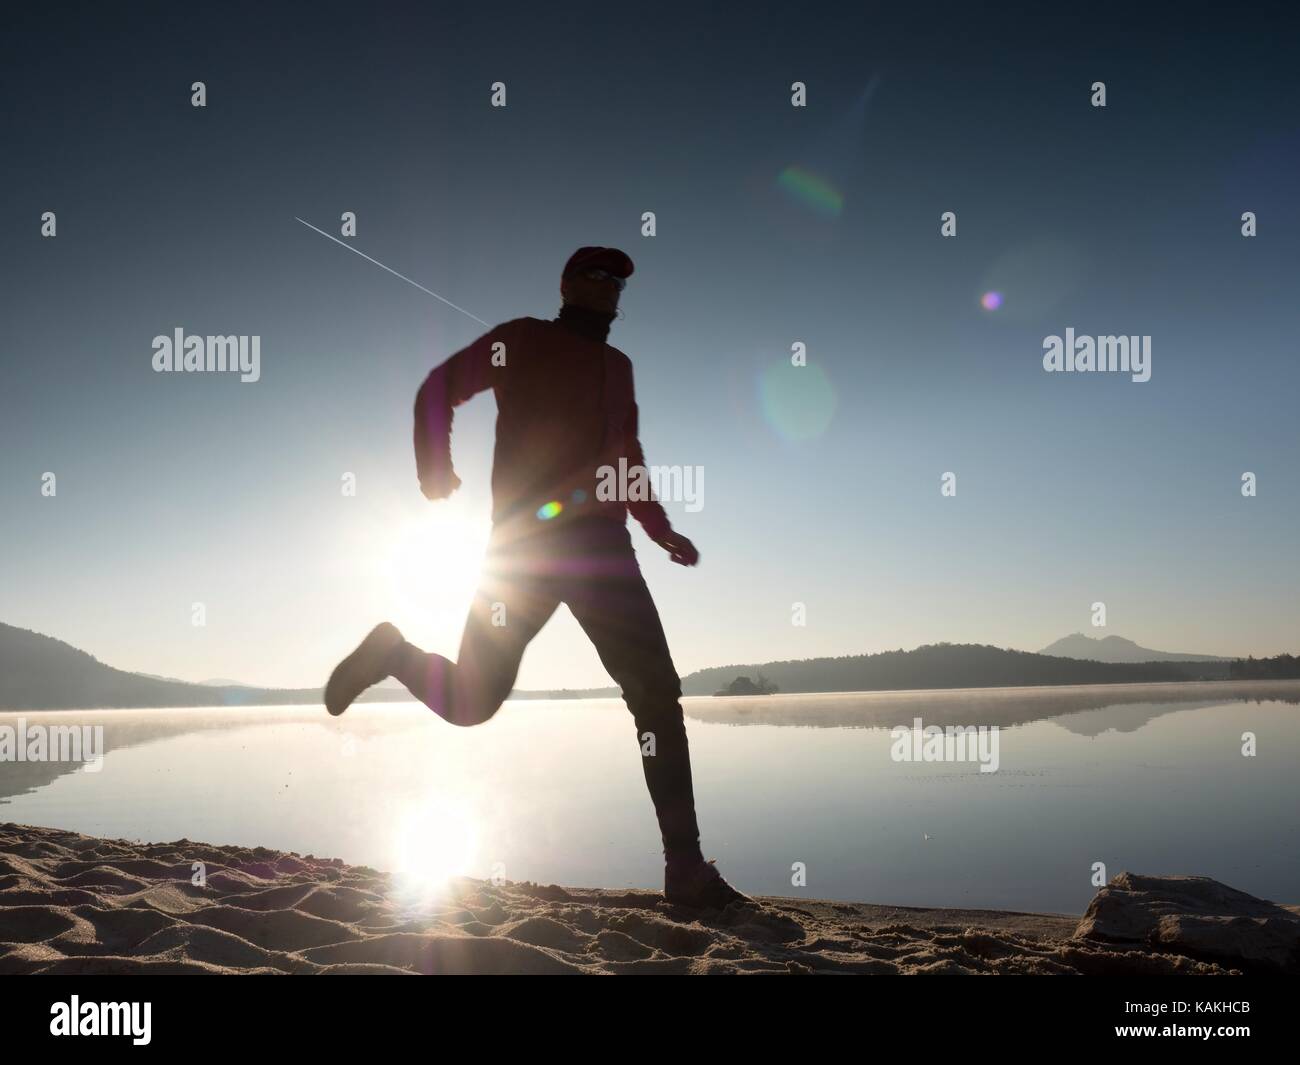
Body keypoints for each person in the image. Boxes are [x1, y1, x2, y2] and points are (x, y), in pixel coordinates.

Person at [325, 246, 750, 910]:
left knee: (657, 696)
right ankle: (393, 652)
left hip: (603, 551)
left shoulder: (619, 367)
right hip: (522, 548)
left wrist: (660, 528)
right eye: (596, 276)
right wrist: (432, 464)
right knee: (472, 701)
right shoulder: (520, 341)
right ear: (568, 284)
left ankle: (686, 867)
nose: (608, 288)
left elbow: (625, 458)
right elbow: (438, 388)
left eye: (617, 281)